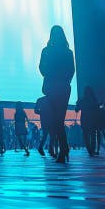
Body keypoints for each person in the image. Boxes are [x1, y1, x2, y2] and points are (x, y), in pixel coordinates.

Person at [39, 25, 76, 164]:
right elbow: (71, 70)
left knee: (56, 119)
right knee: (58, 119)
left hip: (51, 86)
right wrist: (65, 80)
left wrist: (49, 75)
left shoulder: (47, 51)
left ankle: (64, 148)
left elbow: (41, 67)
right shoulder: (67, 52)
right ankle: (64, 148)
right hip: (63, 87)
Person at [75, 86, 100, 156]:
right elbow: (98, 109)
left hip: (84, 119)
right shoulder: (94, 100)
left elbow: (76, 110)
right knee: (93, 135)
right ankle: (92, 150)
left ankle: (90, 150)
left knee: (86, 135)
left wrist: (78, 104)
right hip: (93, 120)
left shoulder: (82, 100)